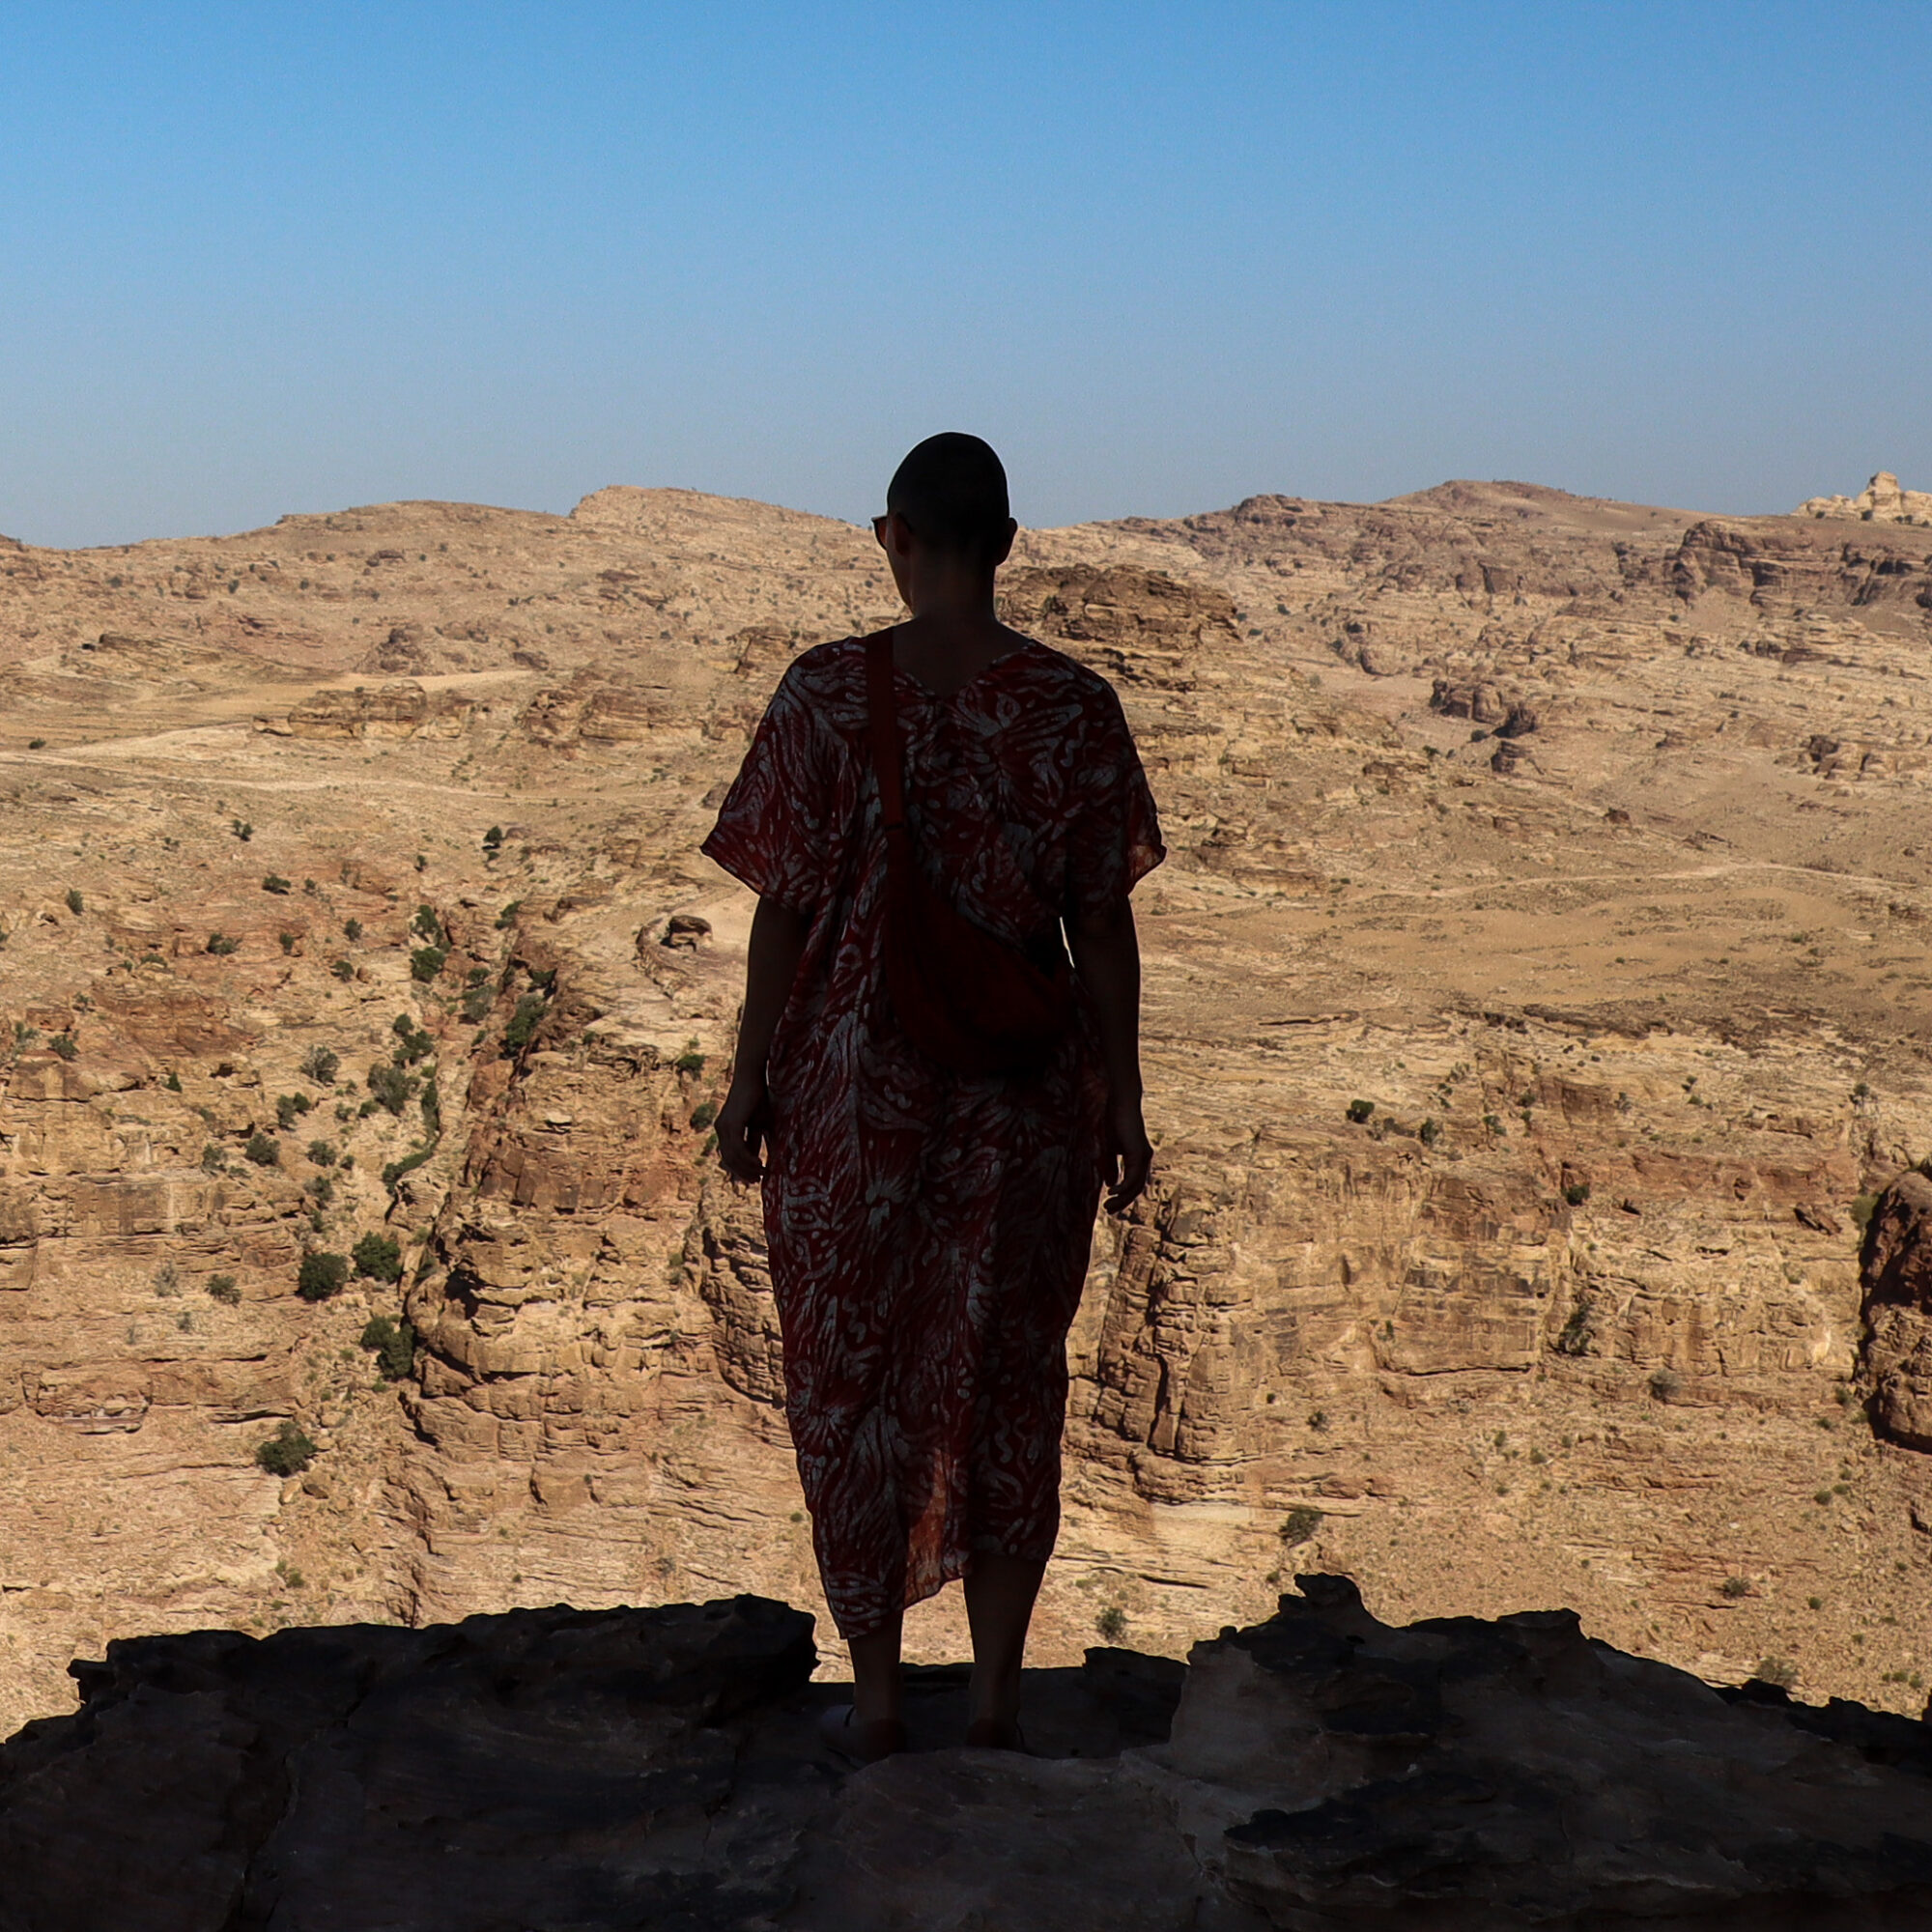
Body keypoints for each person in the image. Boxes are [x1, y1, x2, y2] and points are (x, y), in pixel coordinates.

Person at [700, 432, 1163, 1762]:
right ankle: (1003, 1699)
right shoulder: (1074, 709)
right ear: (1007, 544)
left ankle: (882, 1702)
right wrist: (1122, 1101)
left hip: (853, 1095)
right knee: (1009, 1380)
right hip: (1025, 1103)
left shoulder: (825, 697)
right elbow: (1103, 929)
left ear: (892, 538)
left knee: (853, 1380)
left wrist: (749, 1083)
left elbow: (782, 912)